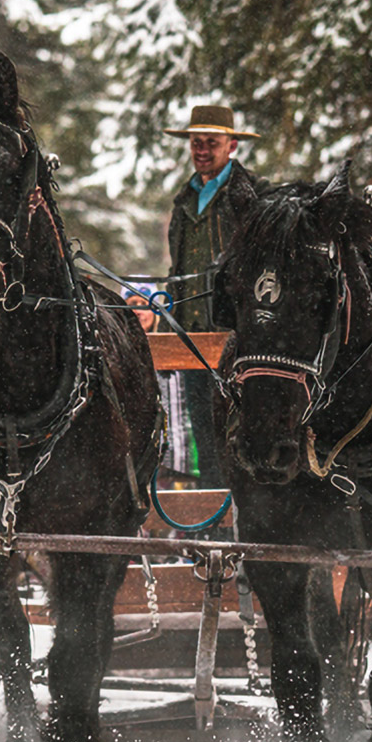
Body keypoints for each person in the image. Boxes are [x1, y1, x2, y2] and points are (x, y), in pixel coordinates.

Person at [161, 105, 266, 487]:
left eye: (211, 142)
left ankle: (239, 521)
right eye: (195, 142)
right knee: (202, 432)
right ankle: (210, 529)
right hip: (189, 338)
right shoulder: (183, 200)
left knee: (238, 430)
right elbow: (177, 271)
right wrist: (167, 325)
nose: (201, 150)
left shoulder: (252, 195)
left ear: (232, 146)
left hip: (233, 340)